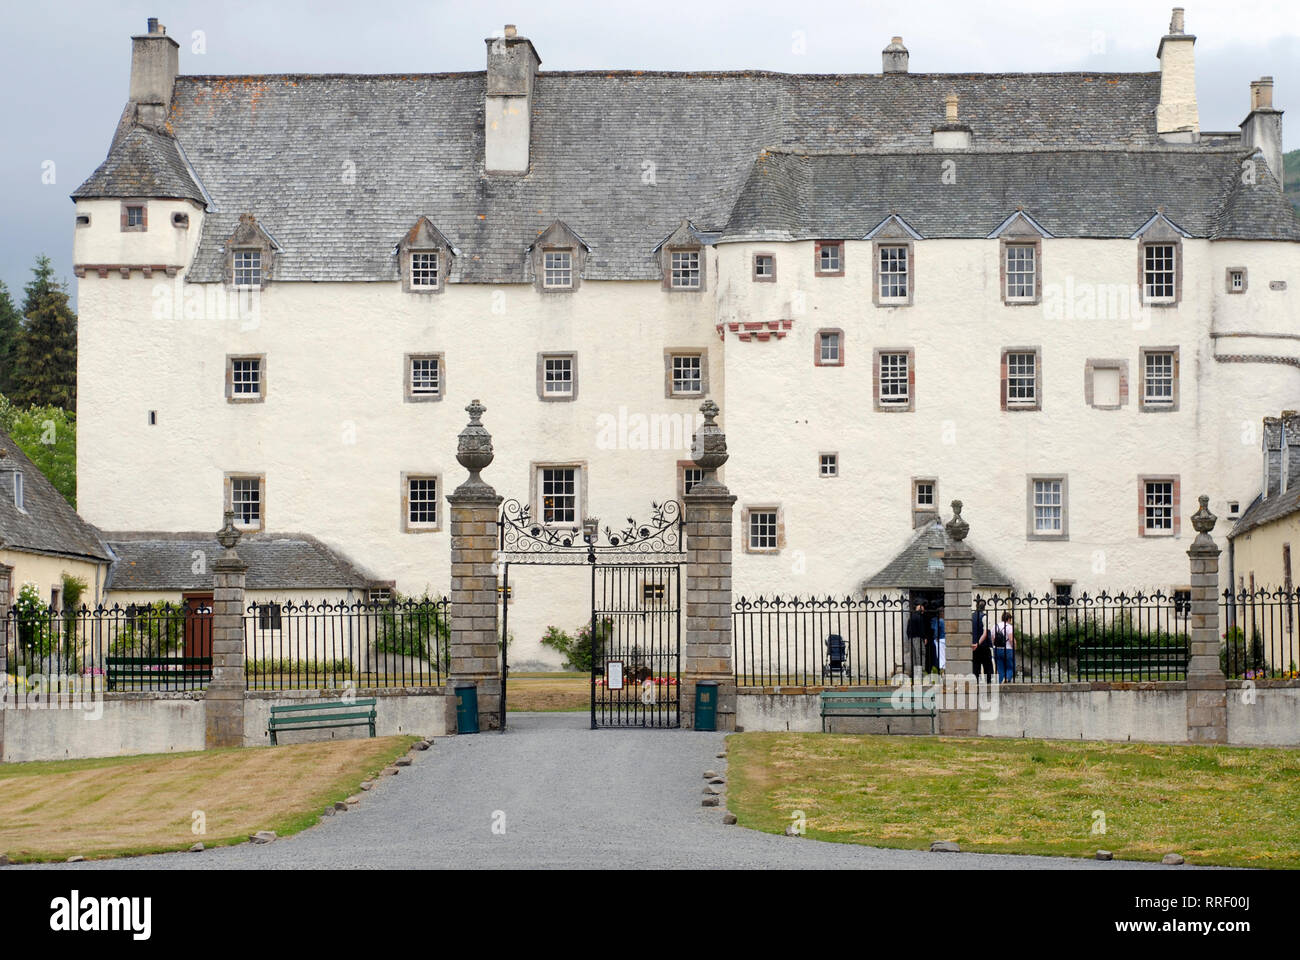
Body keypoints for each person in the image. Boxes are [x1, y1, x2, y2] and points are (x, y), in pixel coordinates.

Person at [970, 599, 994, 684]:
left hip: (973, 646)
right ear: (984, 607)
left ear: (976, 606)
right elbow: (985, 633)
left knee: (975, 667)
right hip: (983, 646)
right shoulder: (984, 617)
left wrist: (973, 643)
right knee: (987, 666)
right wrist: (978, 643)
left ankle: (976, 684)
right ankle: (988, 684)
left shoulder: (971, 617)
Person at [906, 601, 928, 678]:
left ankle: (915, 674)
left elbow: (907, 631)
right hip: (918, 638)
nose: (924, 610)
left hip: (911, 639)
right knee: (921, 655)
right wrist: (924, 637)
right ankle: (921, 674)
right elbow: (921, 629)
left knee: (914, 656)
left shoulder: (911, 617)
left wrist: (909, 638)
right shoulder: (919, 617)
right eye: (923, 608)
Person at [993, 611, 1015, 683]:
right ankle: (1007, 678)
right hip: (1007, 649)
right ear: (1008, 619)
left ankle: (1001, 683)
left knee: (1000, 668)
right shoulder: (1009, 627)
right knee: (1010, 667)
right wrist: (1014, 646)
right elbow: (1011, 639)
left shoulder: (995, 626)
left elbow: (992, 639)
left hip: (997, 649)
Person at [928, 605, 946, 673]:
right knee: (945, 657)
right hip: (945, 639)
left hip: (940, 640)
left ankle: (942, 673)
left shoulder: (940, 621)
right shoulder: (945, 620)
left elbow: (936, 630)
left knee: (941, 658)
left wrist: (935, 637)